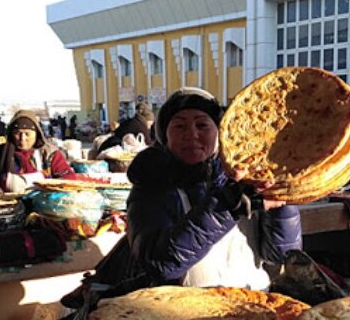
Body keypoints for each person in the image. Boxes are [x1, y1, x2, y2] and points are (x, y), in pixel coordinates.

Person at [125, 87, 302, 289]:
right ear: (165, 137)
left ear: (220, 134)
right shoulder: (151, 187)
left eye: (202, 125)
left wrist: (282, 205)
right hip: (184, 311)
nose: (191, 134)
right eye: (179, 126)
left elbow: (280, 255)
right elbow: (161, 263)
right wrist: (228, 205)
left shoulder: (249, 180)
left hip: (254, 304)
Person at [0, 110, 76, 193]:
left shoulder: (50, 154)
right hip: (8, 207)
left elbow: (69, 177)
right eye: (17, 133)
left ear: (37, 134)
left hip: (42, 208)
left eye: (27, 134)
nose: (22, 139)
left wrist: (53, 189)